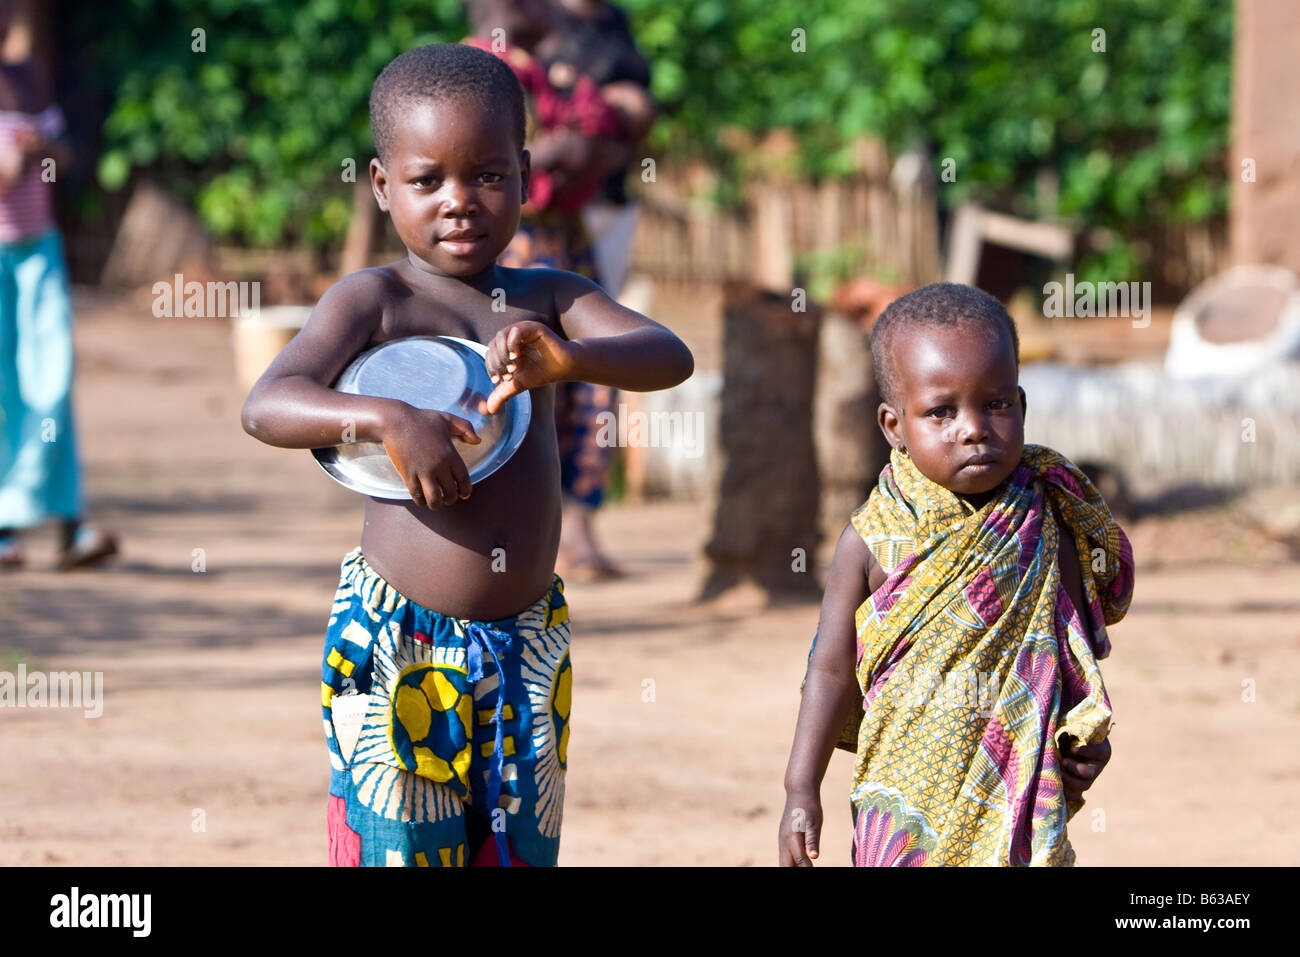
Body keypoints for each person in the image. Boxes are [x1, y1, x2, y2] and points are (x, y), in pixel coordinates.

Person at [240, 43, 692, 867]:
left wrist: (571, 358)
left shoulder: (549, 296)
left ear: (524, 174)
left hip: (528, 638)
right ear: (383, 187)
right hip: (398, 639)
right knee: (402, 847)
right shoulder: (375, 301)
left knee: (517, 852)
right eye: (427, 181)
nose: (460, 202)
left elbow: (668, 355)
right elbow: (268, 405)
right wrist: (385, 417)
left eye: (487, 175)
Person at [778, 283, 1134, 866]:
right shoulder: (871, 539)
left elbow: (1068, 658)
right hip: (900, 801)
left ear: (1020, 406)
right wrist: (800, 789)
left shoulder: (1045, 522)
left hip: (1017, 797)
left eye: (995, 404)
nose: (973, 428)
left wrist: (1088, 745)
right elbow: (830, 666)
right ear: (894, 426)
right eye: (941, 412)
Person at [0, 0, 118, 571]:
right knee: (4, 387)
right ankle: (6, 527)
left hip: (37, 251)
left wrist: (39, 152)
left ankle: (69, 523)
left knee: (52, 378)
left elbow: (63, 157)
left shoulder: (30, 77)